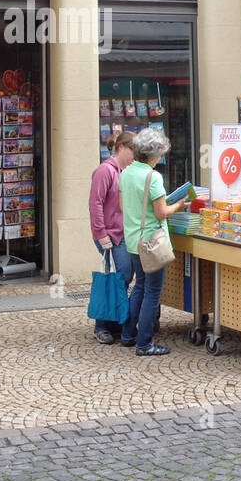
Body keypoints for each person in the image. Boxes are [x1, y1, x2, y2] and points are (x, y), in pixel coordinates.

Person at [119, 127, 187, 356]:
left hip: (133, 240)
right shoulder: (153, 176)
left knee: (139, 287)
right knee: (152, 292)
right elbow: (161, 213)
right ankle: (145, 343)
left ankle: (128, 334)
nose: (161, 158)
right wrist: (178, 205)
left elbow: (123, 207)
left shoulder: (126, 173)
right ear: (154, 154)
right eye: (161, 153)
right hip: (152, 242)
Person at [89, 132, 136, 345]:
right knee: (117, 278)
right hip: (110, 234)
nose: (135, 155)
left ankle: (113, 321)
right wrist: (101, 233)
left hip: (124, 233)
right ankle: (102, 325)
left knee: (121, 277)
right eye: (132, 150)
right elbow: (95, 203)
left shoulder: (126, 171)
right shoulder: (105, 171)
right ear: (121, 148)